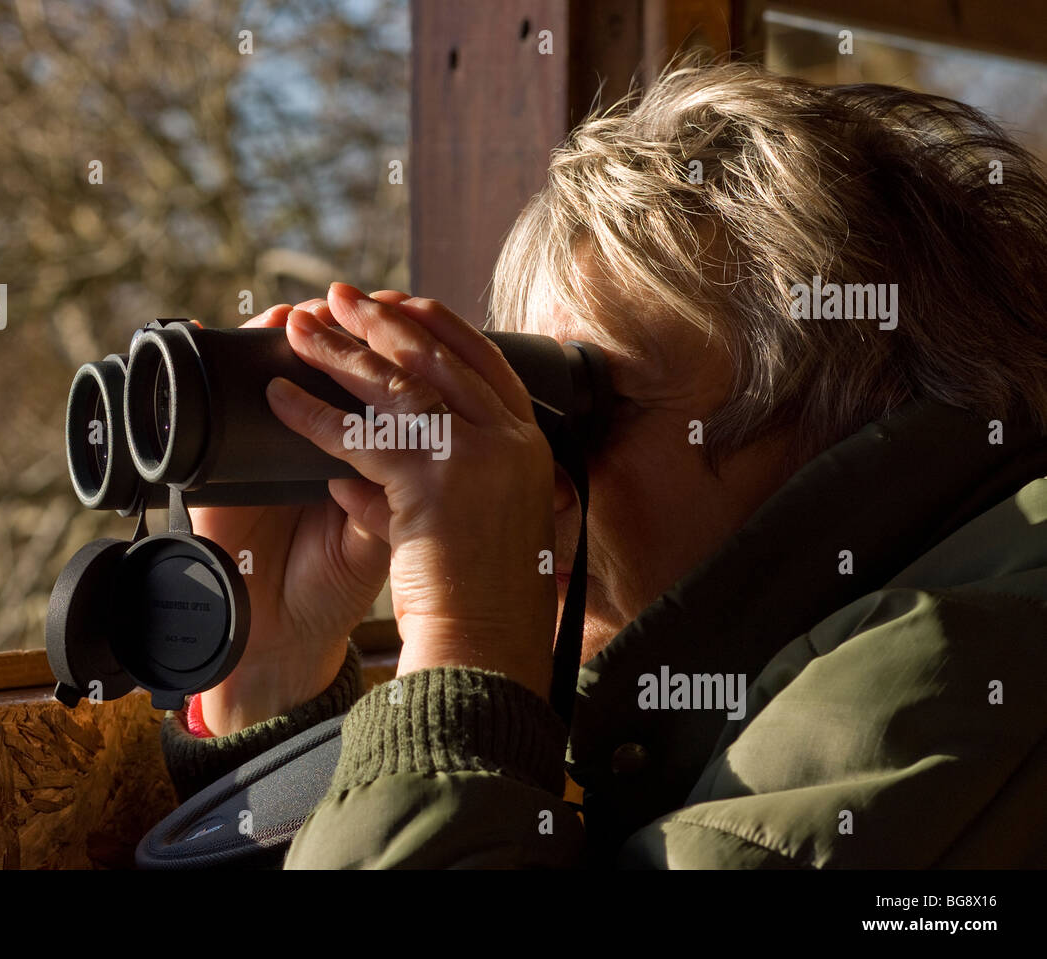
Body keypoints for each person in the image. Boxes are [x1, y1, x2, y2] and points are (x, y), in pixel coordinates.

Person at [159, 61, 1047, 868]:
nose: (525, 473)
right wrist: (270, 678)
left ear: (840, 427)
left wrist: (466, 657)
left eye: (587, 410)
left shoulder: (937, 678)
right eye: (522, 404)